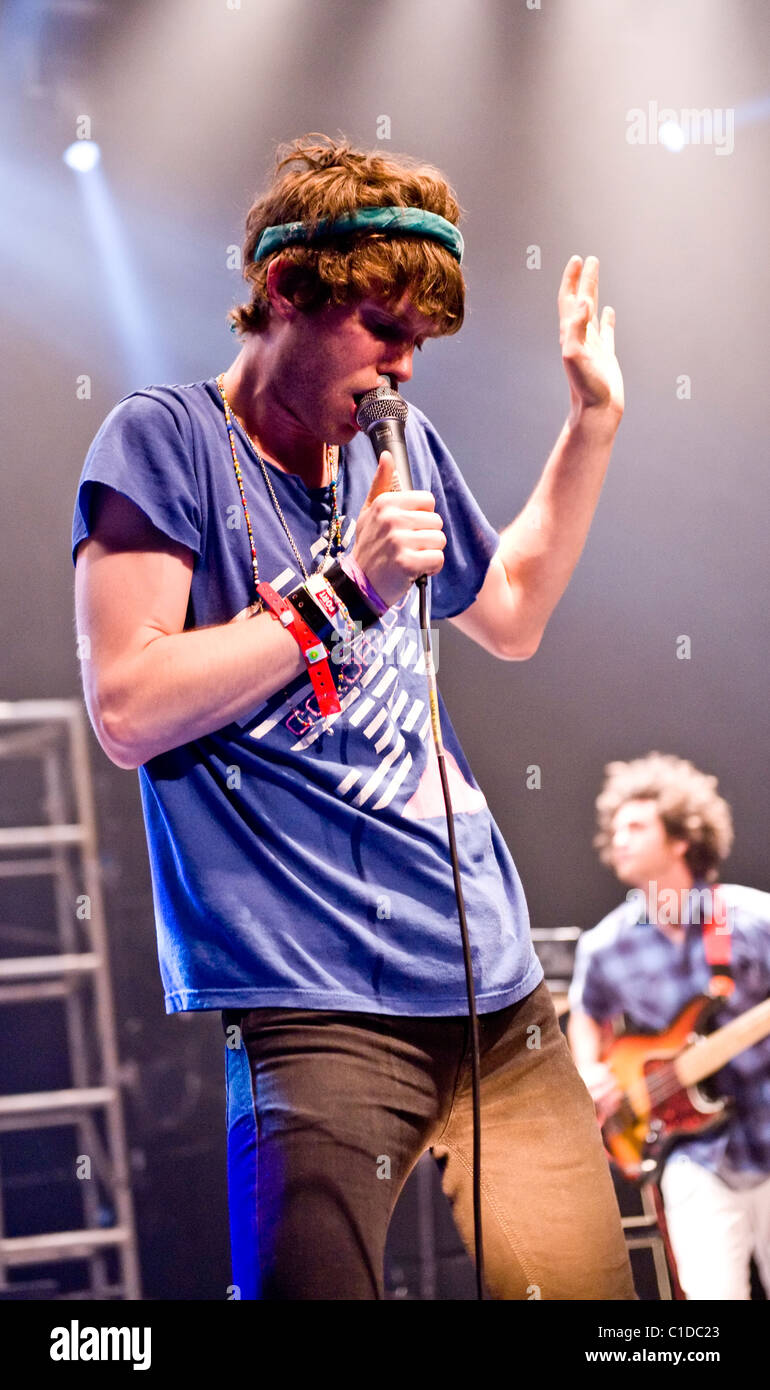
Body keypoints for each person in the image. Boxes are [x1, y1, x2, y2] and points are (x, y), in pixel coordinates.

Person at [72, 133, 632, 1300]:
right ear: (285, 291)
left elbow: (513, 612)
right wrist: (342, 594)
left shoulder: (395, 445)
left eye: (418, 345)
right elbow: (127, 705)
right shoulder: (163, 438)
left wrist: (589, 426)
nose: (401, 371)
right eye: (383, 331)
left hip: (494, 986)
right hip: (314, 1004)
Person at [568, 752, 770, 1300]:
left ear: (681, 838)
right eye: (616, 827)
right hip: (689, 1154)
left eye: (637, 825)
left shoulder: (754, 918)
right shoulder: (604, 945)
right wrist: (588, 1070)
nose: (619, 837)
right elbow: (585, 1013)